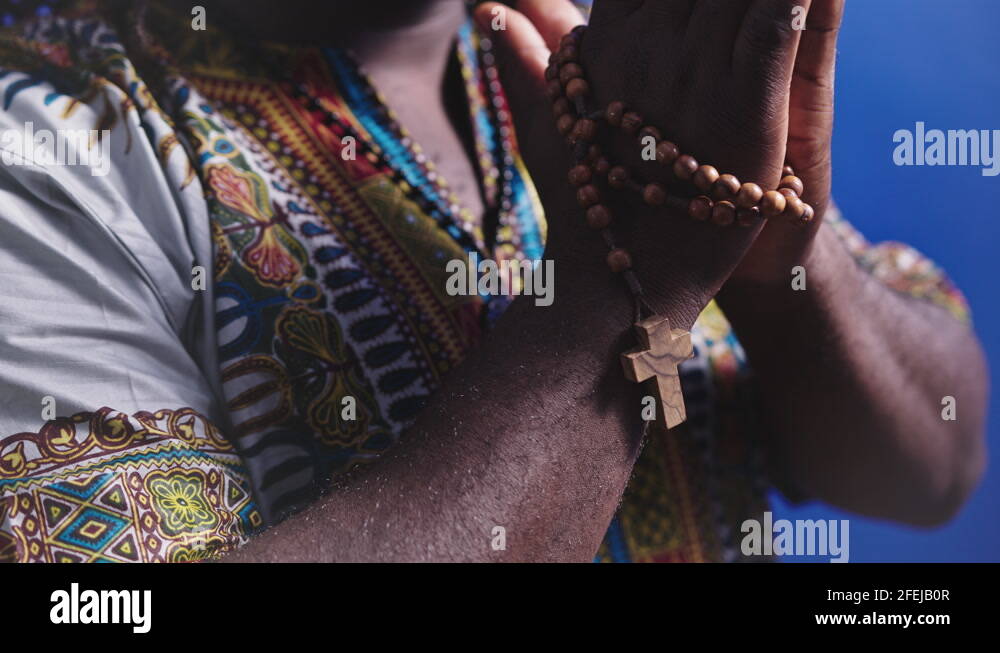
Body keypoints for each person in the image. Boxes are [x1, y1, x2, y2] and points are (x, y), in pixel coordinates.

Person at [0, 0, 986, 563]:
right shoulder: (51, 143)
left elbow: (933, 463)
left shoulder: (604, 54)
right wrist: (626, 282)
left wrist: (776, 263)